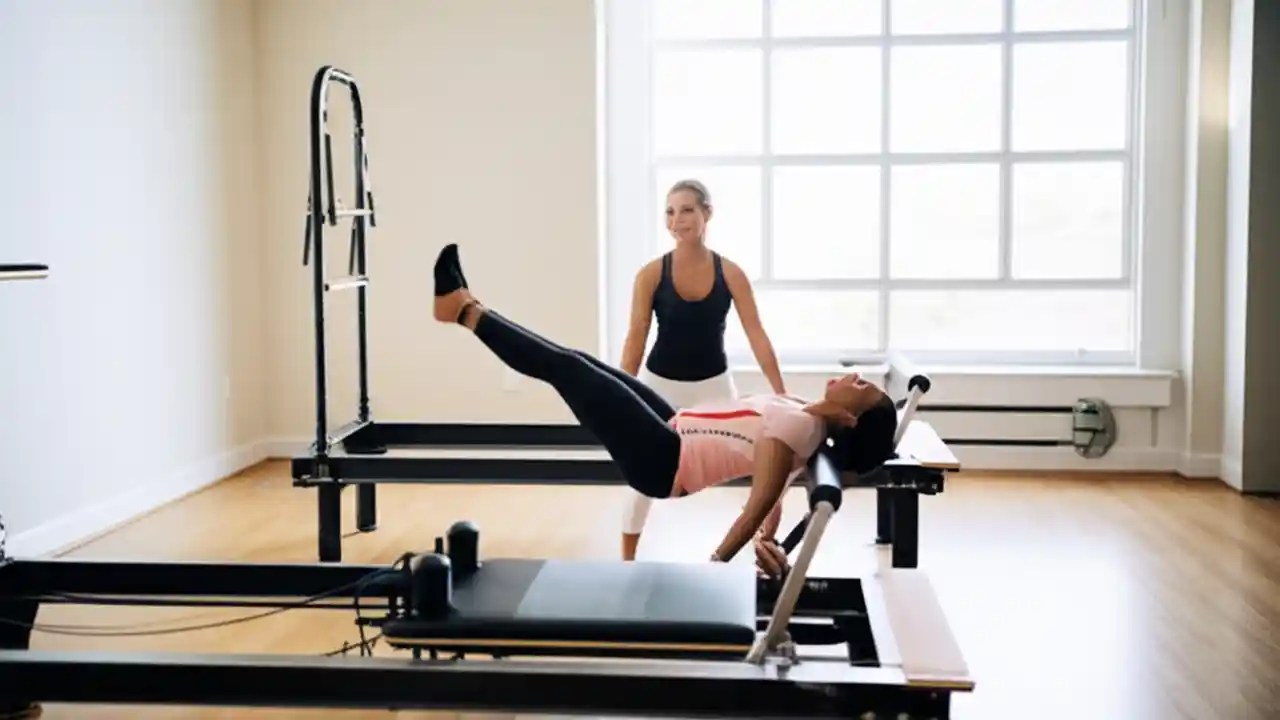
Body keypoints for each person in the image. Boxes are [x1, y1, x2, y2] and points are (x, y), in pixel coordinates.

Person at [432, 243, 898, 572]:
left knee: (566, 369)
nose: (856, 376)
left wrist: (718, 564)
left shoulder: (799, 430)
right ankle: (467, 305)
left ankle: (464, 310)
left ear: (851, 417)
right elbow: (778, 491)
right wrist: (769, 536)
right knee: (579, 361)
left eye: (862, 386)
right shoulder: (804, 415)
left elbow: (758, 503)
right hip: (673, 427)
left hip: (664, 460)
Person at [618, 179, 788, 561]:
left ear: (706, 213)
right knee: (642, 478)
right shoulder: (650, 275)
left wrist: (779, 392)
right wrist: (620, 391)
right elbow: (635, 338)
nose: (678, 220)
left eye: (687, 210)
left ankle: (764, 547)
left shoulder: (731, 273)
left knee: (764, 462)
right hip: (659, 385)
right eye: (670, 211)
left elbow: (757, 335)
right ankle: (626, 562)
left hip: (714, 387)